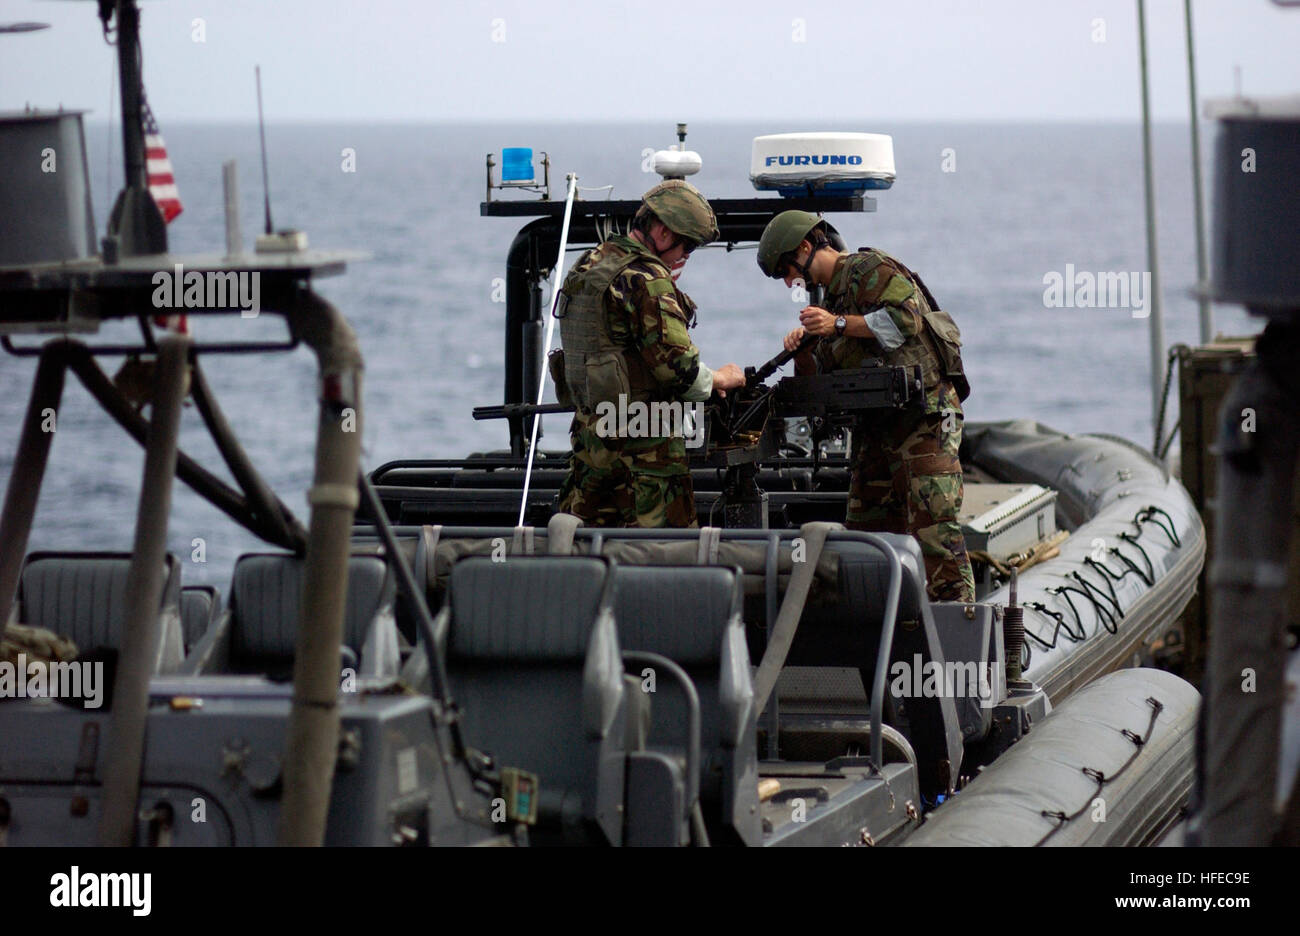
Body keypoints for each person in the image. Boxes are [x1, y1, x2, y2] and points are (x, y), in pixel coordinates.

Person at [757, 209, 976, 603]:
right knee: (867, 535)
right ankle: (884, 622)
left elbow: (906, 320)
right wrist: (801, 351)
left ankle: (959, 628)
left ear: (806, 247)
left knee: (933, 528)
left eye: (789, 270)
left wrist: (837, 325)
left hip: (924, 418)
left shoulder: (868, 269)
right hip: (878, 428)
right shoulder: (832, 302)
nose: (791, 281)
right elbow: (822, 377)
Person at [554, 180, 745, 527]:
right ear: (661, 231)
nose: (686, 255)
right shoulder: (647, 277)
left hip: (592, 445)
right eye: (686, 245)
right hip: (643, 452)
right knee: (662, 561)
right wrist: (720, 377)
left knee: (586, 554)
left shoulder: (589, 263)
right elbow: (678, 369)